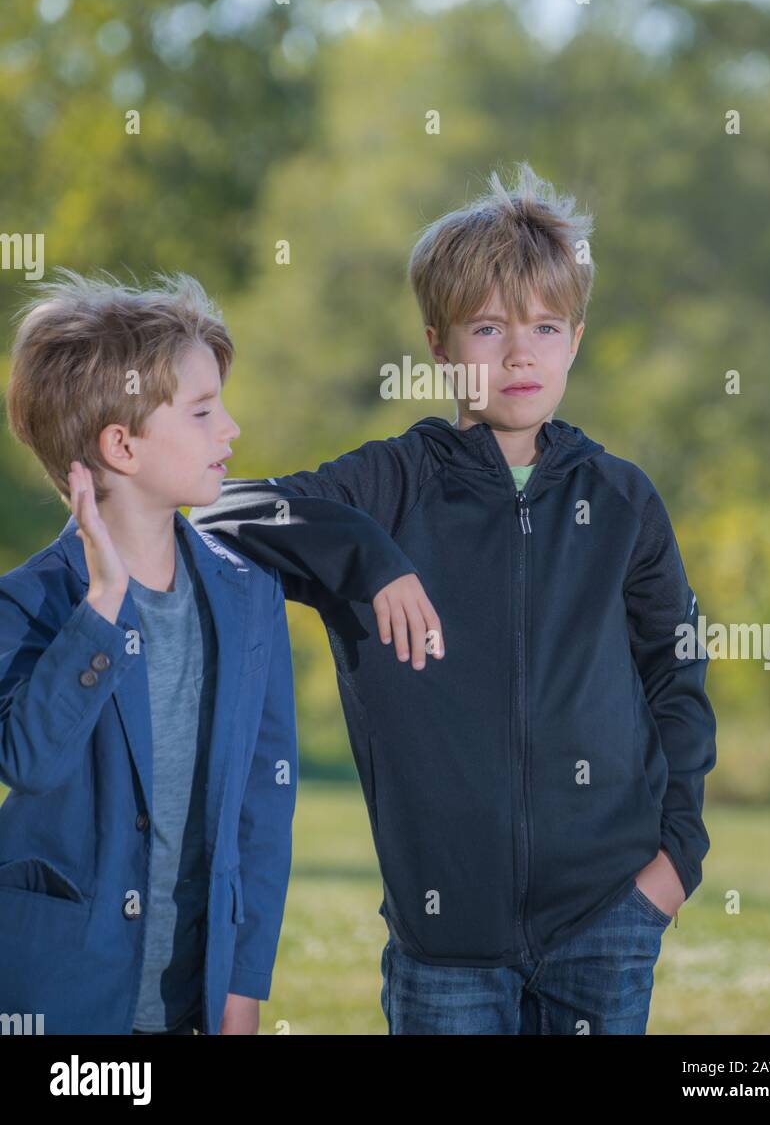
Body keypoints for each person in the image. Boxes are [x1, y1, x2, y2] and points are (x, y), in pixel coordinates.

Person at [191, 162, 717, 1034]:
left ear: (575, 339)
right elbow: (218, 507)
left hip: (609, 920)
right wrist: (367, 554)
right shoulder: (387, 484)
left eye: (545, 327)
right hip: (444, 944)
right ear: (437, 343)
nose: (519, 354)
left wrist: (674, 867)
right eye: (486, 327)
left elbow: (677, 678)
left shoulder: (622, 500)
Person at [0, 270, 440, 1035]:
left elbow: (263, 807)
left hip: (197, 1000)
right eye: (203, 413)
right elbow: (28, 761)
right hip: (59, 1001)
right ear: (121, 445)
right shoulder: (30, 603)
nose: (230, 430)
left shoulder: (249, 597)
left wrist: (243, 983)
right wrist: (101, 609)